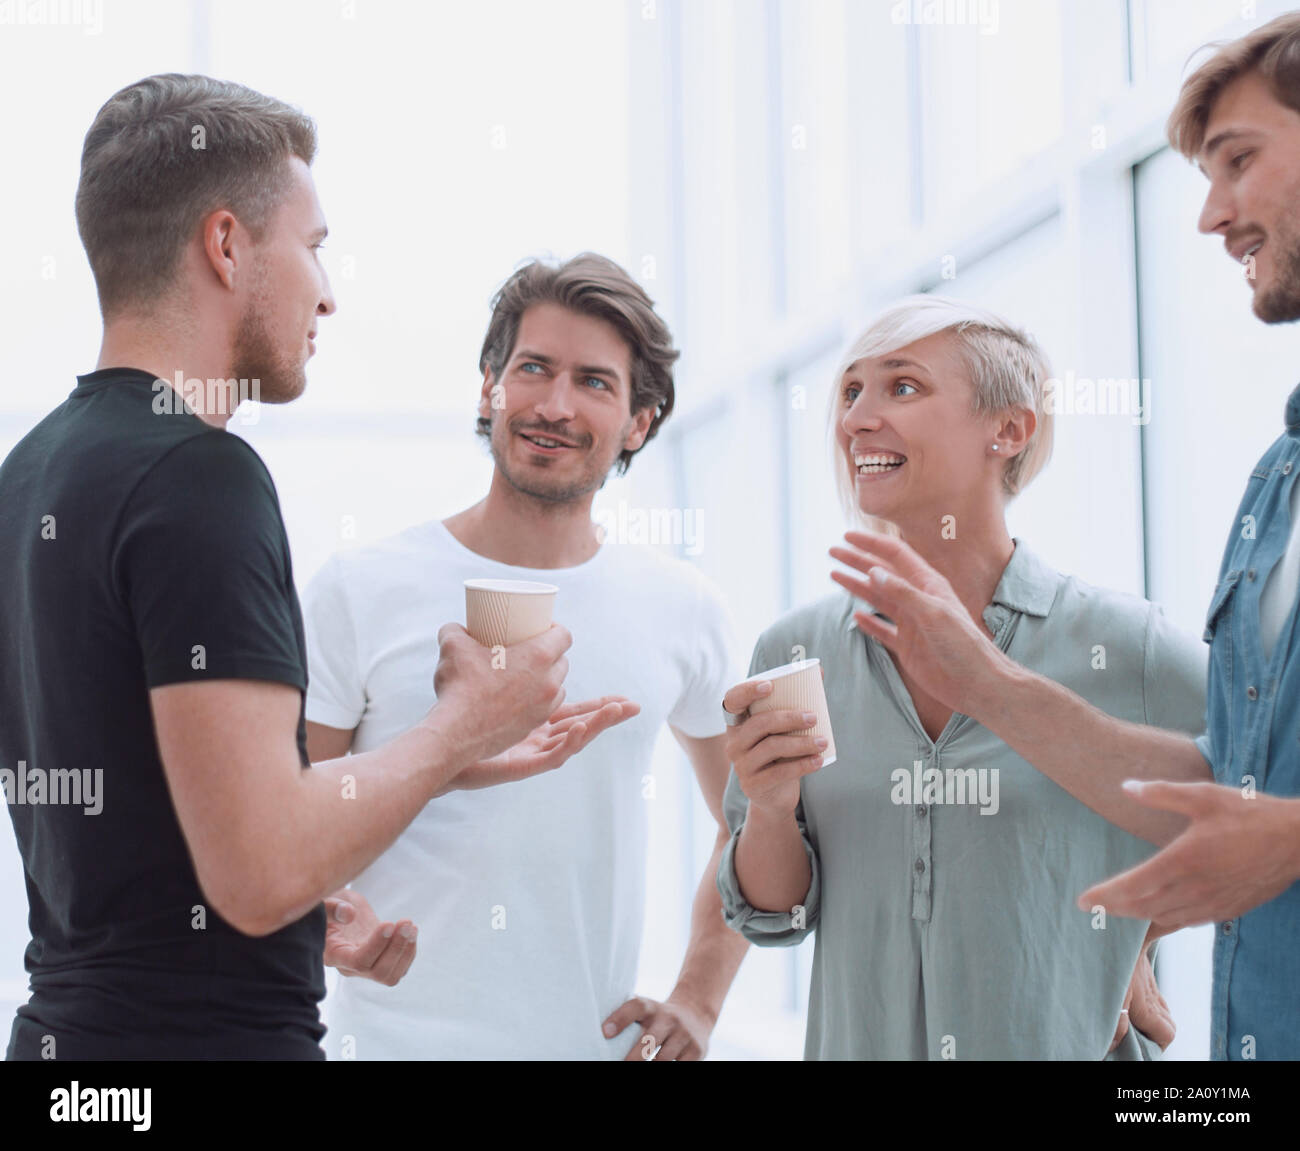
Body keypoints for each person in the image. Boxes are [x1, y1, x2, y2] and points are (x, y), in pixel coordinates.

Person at [0, 75, 628, 1061]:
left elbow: (170, 838)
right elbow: (254, 867)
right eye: (314, 246)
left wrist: (306, 917)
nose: (328, 291)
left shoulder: (31, 470)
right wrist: (465, 719)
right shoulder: (197, 473)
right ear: (224, 244)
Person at [835, 13, 1300, 1063]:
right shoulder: (1274, 488)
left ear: (1011, 431)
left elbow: (1262, 826)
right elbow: (1221, 781)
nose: (1210, 217)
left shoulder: (1115, 632)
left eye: (1238, 161)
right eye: (850, 389)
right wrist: (987, 683)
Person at [714, 296, 1204, 1059]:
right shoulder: (796, 649)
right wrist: (771, 809)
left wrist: (1139, 936)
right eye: (851, 392)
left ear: (1006, 430)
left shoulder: (1122, 647)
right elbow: (772, 915)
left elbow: (1268, 796)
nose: (855, 419)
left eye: (901, 387)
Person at [302, 253, 750, 1060]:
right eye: (533, 368)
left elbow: (745, 819)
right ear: (489, 387)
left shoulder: (682, 608)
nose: (554, 404)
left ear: (640, 422)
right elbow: (288, 818)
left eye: (595, 382)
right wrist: (328, 919)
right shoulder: (360, 587)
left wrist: (700, 998)